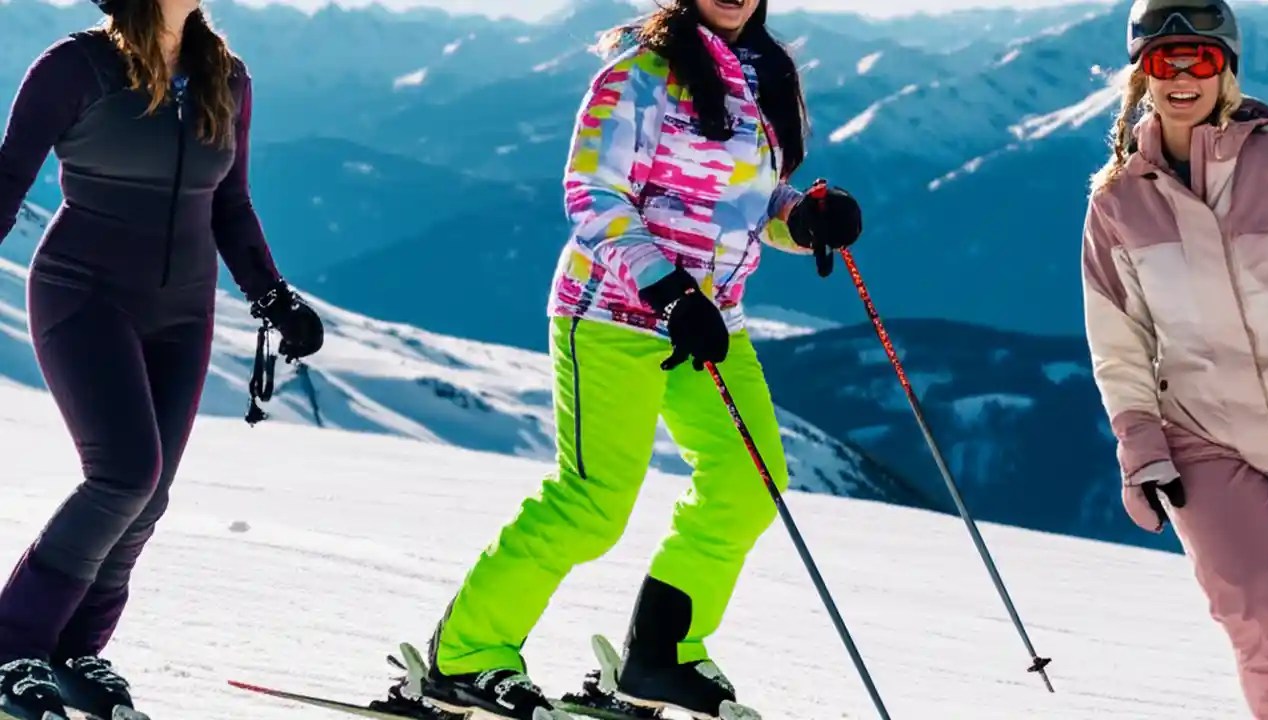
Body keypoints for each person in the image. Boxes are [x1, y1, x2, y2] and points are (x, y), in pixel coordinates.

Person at [369, 1, 863, 719]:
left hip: (708, 321)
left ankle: (660, 655)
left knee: (748, 483)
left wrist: (802, 217)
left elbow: (746, 205)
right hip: (612, 311)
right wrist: (666, 290)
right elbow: (593, 194)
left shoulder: (764, 77)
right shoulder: (639, 72)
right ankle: (465, 653)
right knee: (595, 502)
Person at [0, 0, 324, 717]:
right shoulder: (74, 67)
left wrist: (273, 297)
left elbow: (229, 204)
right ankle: (11, 648)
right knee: (122, 476)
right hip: (83, 295)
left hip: (183, 311)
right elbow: (7, 178)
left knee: (150, 496)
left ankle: (78, 652)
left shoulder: (225, 76)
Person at [1082, 0, 1268, 716]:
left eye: (1201, 57)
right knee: (1257, 619)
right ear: (1143, 73)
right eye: (1167, 60)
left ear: (1226, 68)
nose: (1184, 75)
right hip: (1202, 432)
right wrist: (1141, 447)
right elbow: (1119, 342)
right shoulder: (1117, 204)